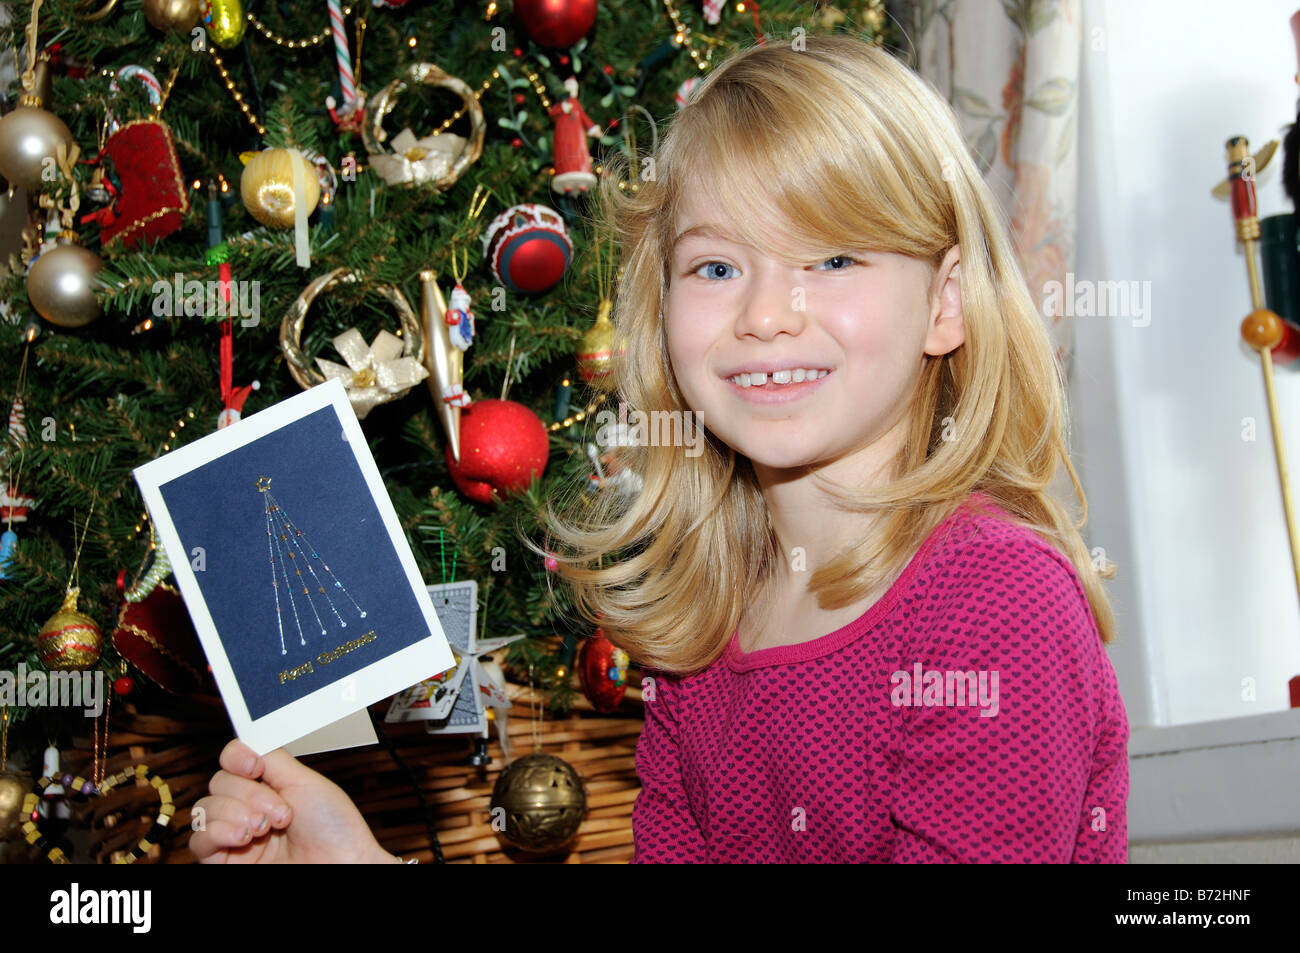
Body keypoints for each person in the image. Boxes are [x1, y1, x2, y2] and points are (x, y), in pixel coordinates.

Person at [192, 33, 1129, 864]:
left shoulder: (997, 603)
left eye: (834, 258)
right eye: (717, 267)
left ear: (946, 301)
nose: (767, 314)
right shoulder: (703, 630)